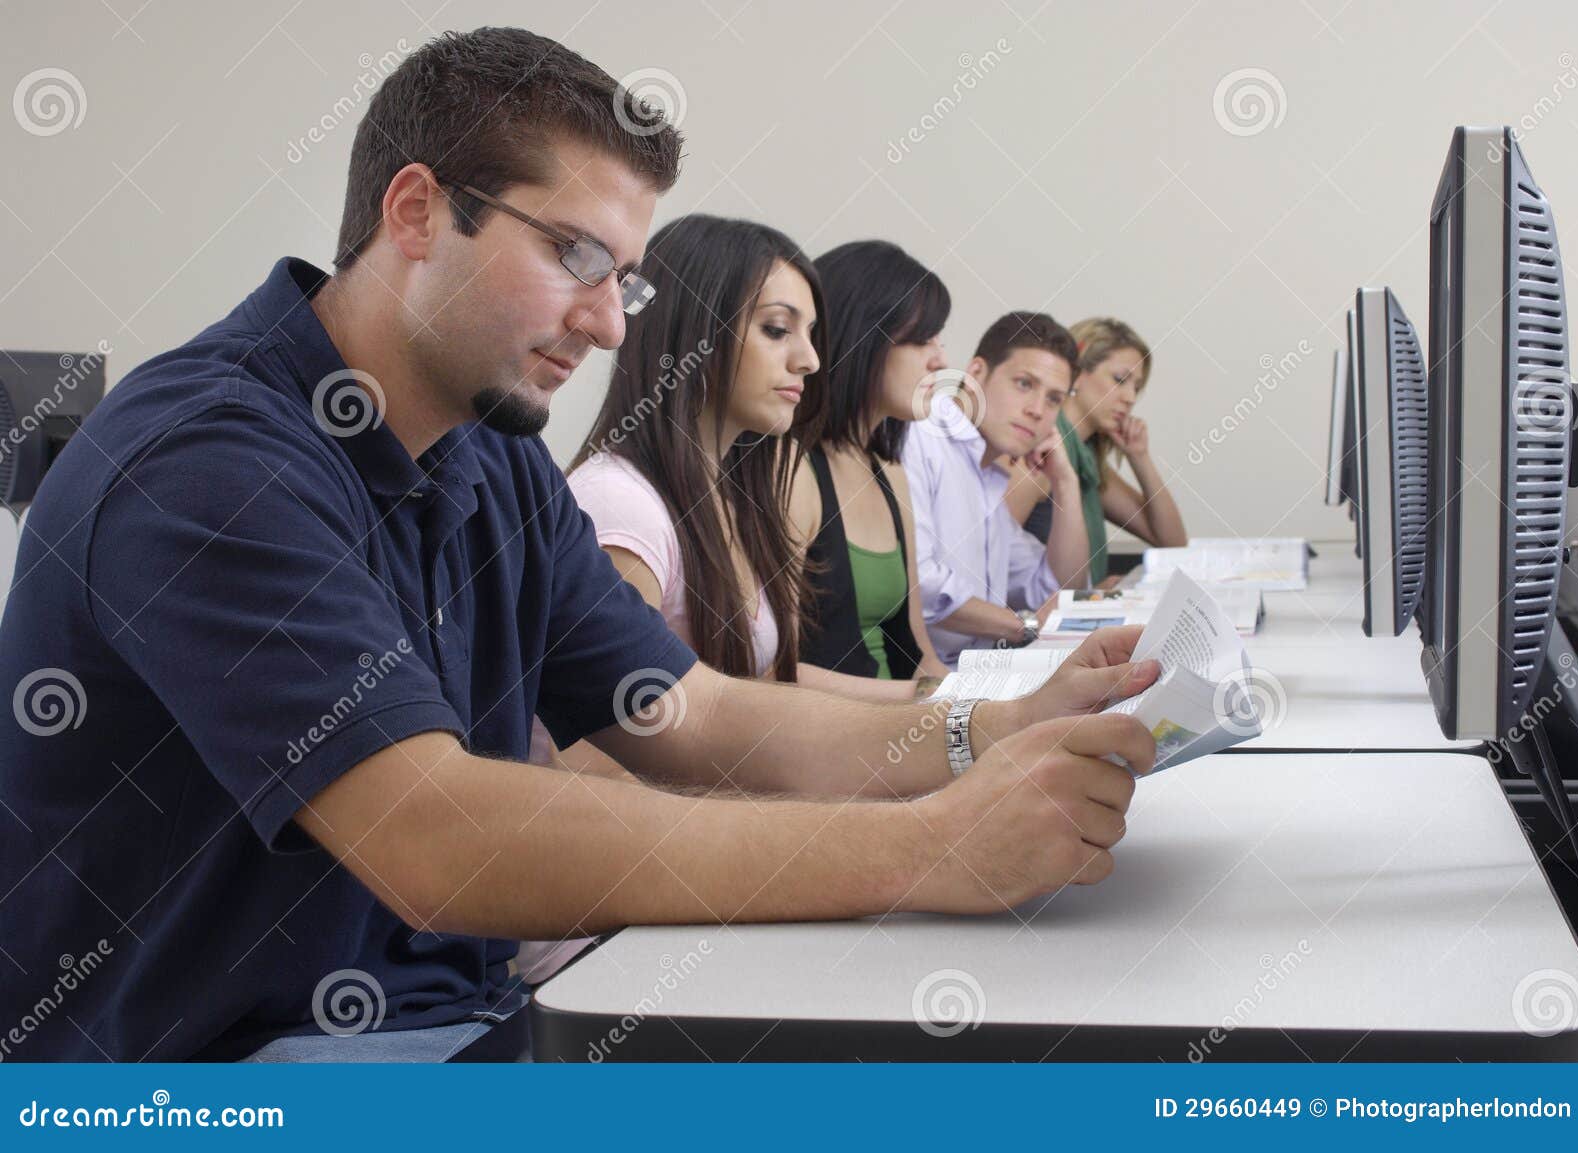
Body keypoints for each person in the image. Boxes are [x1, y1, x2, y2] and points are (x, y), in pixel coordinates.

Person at [0, 27, 1158, 1062]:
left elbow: (690, 712)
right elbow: (438, 839)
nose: (609, 322)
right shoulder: (205, 463)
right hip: (208, 1074)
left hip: (441, 1022)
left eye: (627, 279)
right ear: (414, 212)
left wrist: (985, 733)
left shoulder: (484, 448)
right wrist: (927, 850)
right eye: (577, 257)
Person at [567, 214, 823, 684]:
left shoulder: (735, 495)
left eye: (810, 334)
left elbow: (767, 693)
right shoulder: (621, 506)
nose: (810, 360)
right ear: (696, 334)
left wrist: (940, 702)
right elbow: (593, 752)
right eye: (776, 329)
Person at [788, 240, 953, 701]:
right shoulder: (792, 471)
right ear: (863, 337)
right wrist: (927, 703)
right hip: (838, 743)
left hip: (904, 729)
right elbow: (771, 671)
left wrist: (976, 701)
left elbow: (916, 650)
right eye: (922, 339)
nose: (940, 360)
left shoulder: (888, 470)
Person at [903, 311, 1093, 666]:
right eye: (1024, 384)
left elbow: (1056, 593)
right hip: (921, 686)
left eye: (1054, 399)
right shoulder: (922, 435)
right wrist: (1024, 626)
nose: (1037, 410)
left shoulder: (988, 470)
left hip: (981, 673)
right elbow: (920, 585)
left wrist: (1065, 483)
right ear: (975, 374)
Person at [1010, 317, 1187, 583]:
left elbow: (1172, 542)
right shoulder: (1044, 447)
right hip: (1037, 619)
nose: (1130, 398)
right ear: (1077, 374)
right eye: (1120, 380)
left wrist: (1139, 457)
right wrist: (1089, 598)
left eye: (1136, 388)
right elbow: (989, 559)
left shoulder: (1085, 459)